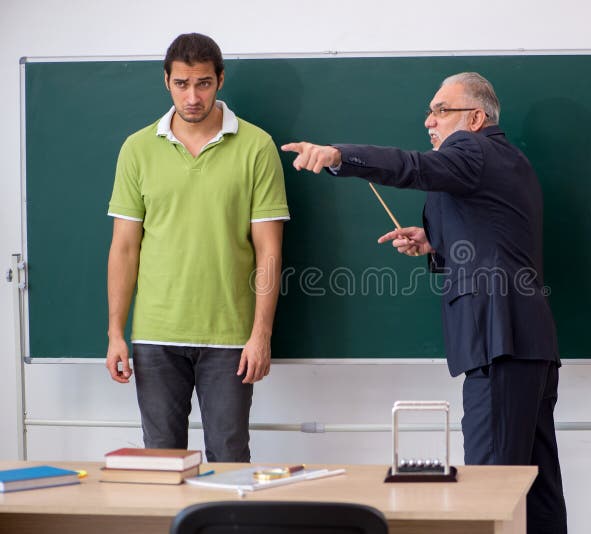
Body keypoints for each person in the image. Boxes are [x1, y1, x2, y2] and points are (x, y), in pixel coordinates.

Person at [282, 72, 567, 533]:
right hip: (530, 341)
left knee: (489, 487)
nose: (428, 121)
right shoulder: (508, 159)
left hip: (500, 341)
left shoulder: (471, 149)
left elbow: (412, 167)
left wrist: (340, 157)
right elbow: (496, 237)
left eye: (441, 110)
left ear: (475, 118)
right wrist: (436, 242)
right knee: (536, 487)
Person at [105, 33, 289, 462]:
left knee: (229, 457)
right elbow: (124, 249)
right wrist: (116, 332)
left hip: (230, 336)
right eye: (182, 84)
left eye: (203, 83)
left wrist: (261, 334)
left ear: (220, 80)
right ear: (166, 82)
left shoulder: (256, 146)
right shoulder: (137, 149)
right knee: (161, 461)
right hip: (155, 335)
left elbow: (269, 251)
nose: (192, 96)